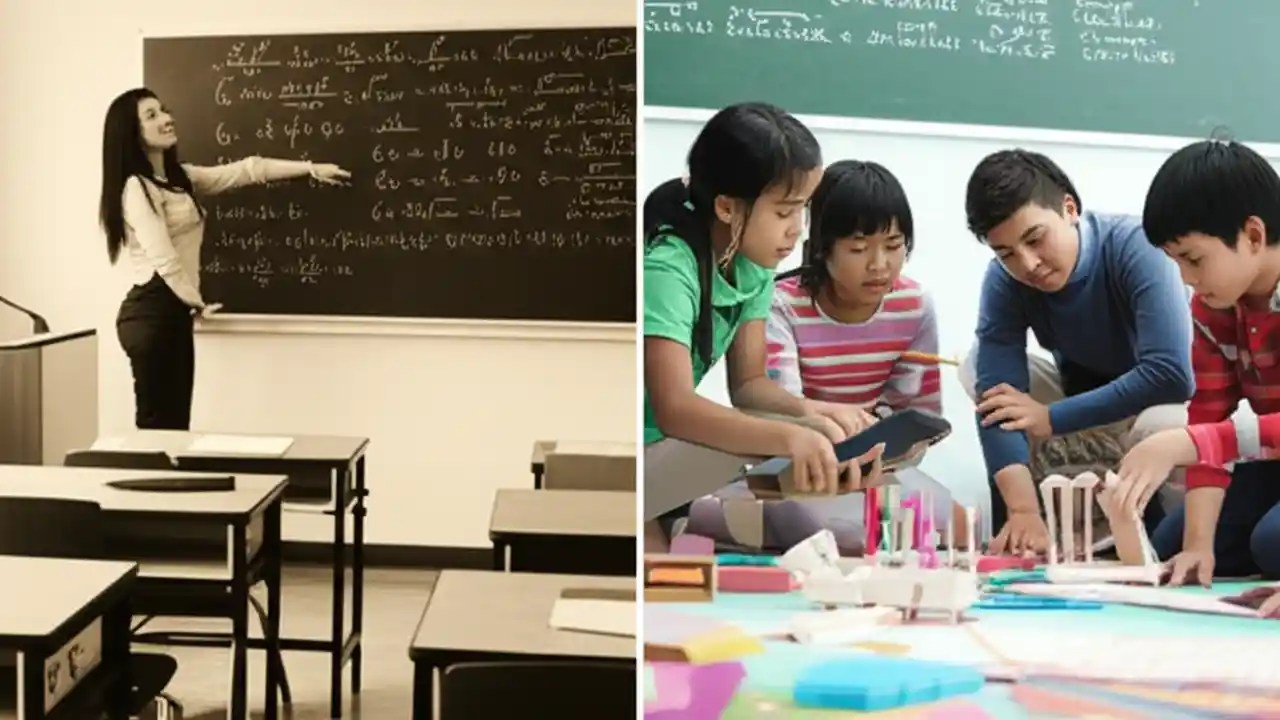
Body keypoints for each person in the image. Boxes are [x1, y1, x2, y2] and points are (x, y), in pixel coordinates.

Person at [642, 102, 884, 552]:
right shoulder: (667, 271)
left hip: (671, 455)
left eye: (803, 210)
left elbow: (750, 385)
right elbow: (674, 408)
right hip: (634, 458)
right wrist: (792, 437)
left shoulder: (751, 262)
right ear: (727, 208)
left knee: (819, 443)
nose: (797, 231)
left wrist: (811, 413)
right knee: (766, 452)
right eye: (784, 212)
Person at [686, 159, 960, 551]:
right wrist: (829, 434)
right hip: (792, 468)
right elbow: (778, 409)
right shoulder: (782, 304)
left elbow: (917, 415)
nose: (879, 265)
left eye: (894, 246)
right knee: (824, 529)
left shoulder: (913, 305)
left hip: (869, 469)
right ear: (822, 247)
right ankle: (712, 513)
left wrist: (884, 450)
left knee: (954, 521)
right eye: (858, 248)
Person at [960, 149, 1194, 555]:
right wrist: (1022, 510)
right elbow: (998, 395)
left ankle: (1168, 530)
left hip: (1156, 401)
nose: (1028, 263)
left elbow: (1172, 373)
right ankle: (1034, 516)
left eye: (1035, 239)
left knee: (1159, 422)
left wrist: (1051, 417)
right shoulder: (1004, 280)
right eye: (1007, 253)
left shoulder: (1136, 246)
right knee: (978, 367)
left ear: (1069, 208)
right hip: (1083, 394)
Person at [100, 88, 351, 430]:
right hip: (151, 313)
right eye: (152, 115)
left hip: (171, 313)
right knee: (158, 427)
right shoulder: (136, 188)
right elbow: (164, 258)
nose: (167, 118)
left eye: (164, 110)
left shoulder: (179, 179)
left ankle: (169, 480)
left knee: (174, 426)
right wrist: (196, 302)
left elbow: (248, 170)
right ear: (132, 133)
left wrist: (310, 168)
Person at [1112, 139, 1280, 591]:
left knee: (1273, 542)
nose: (1186, 278)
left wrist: (1190, 441)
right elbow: (1209, 416)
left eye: (1193, 259)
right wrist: (1199, 546)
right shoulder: (1214, 308)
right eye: (1176, 262)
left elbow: (1207, 436)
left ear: (1253, 235)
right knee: (1174, 545)